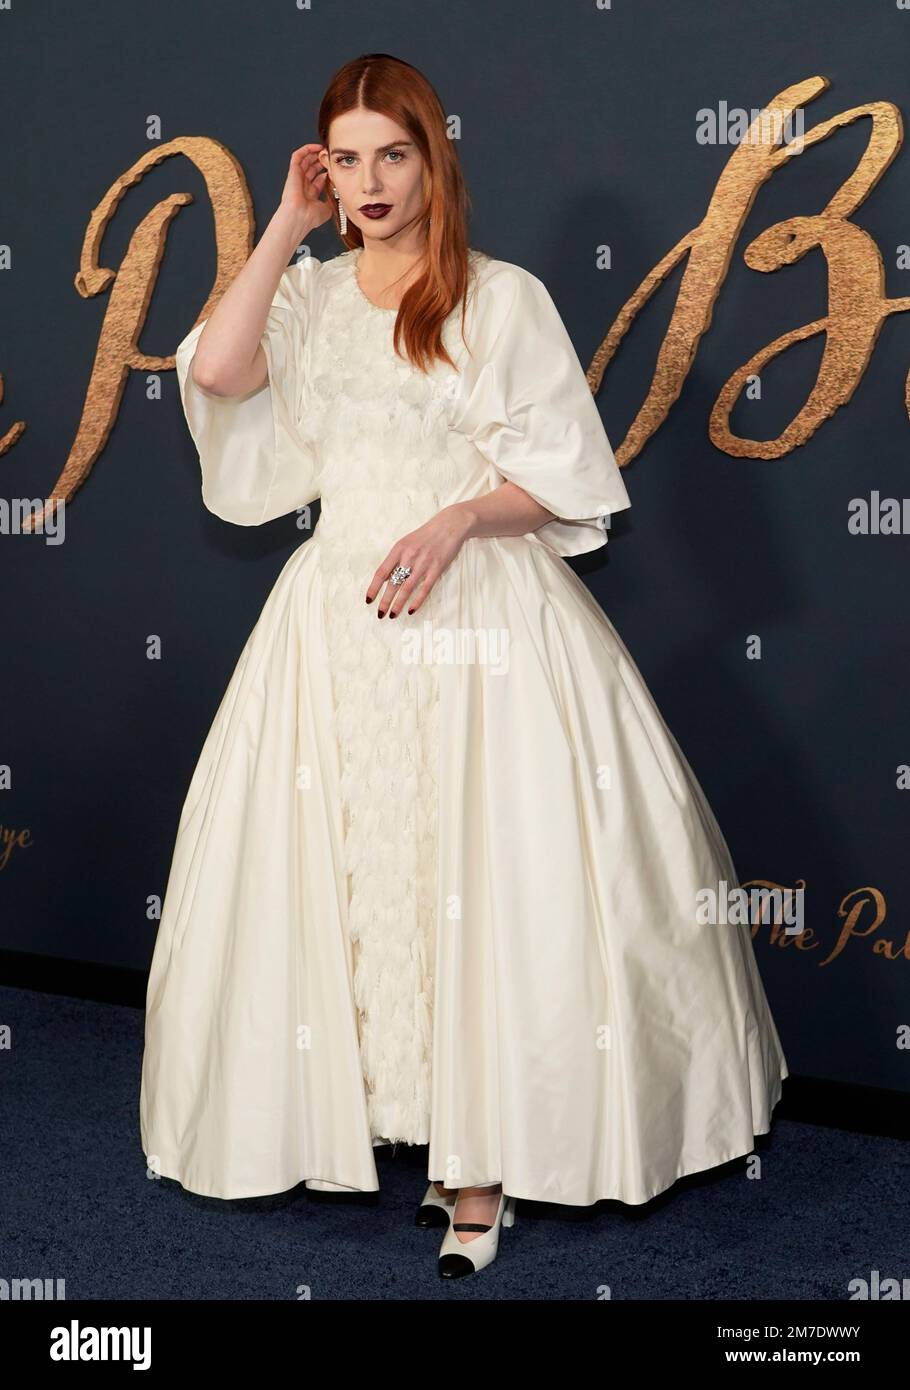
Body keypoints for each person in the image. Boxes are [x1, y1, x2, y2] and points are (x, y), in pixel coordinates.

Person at [140, 53, 788, 1281]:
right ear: (320, 166)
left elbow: (561, 474)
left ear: (435, 158)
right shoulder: (308, 292)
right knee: (352, 872)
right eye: (346, 158)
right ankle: (380, 1114)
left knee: (487, 877)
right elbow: (217, 374)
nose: (371, 181)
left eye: (394, 154)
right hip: (334, 623)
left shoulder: (500, 297)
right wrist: (283, 225)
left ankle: (479, 1166)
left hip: (482, 614)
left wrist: (453, 519)